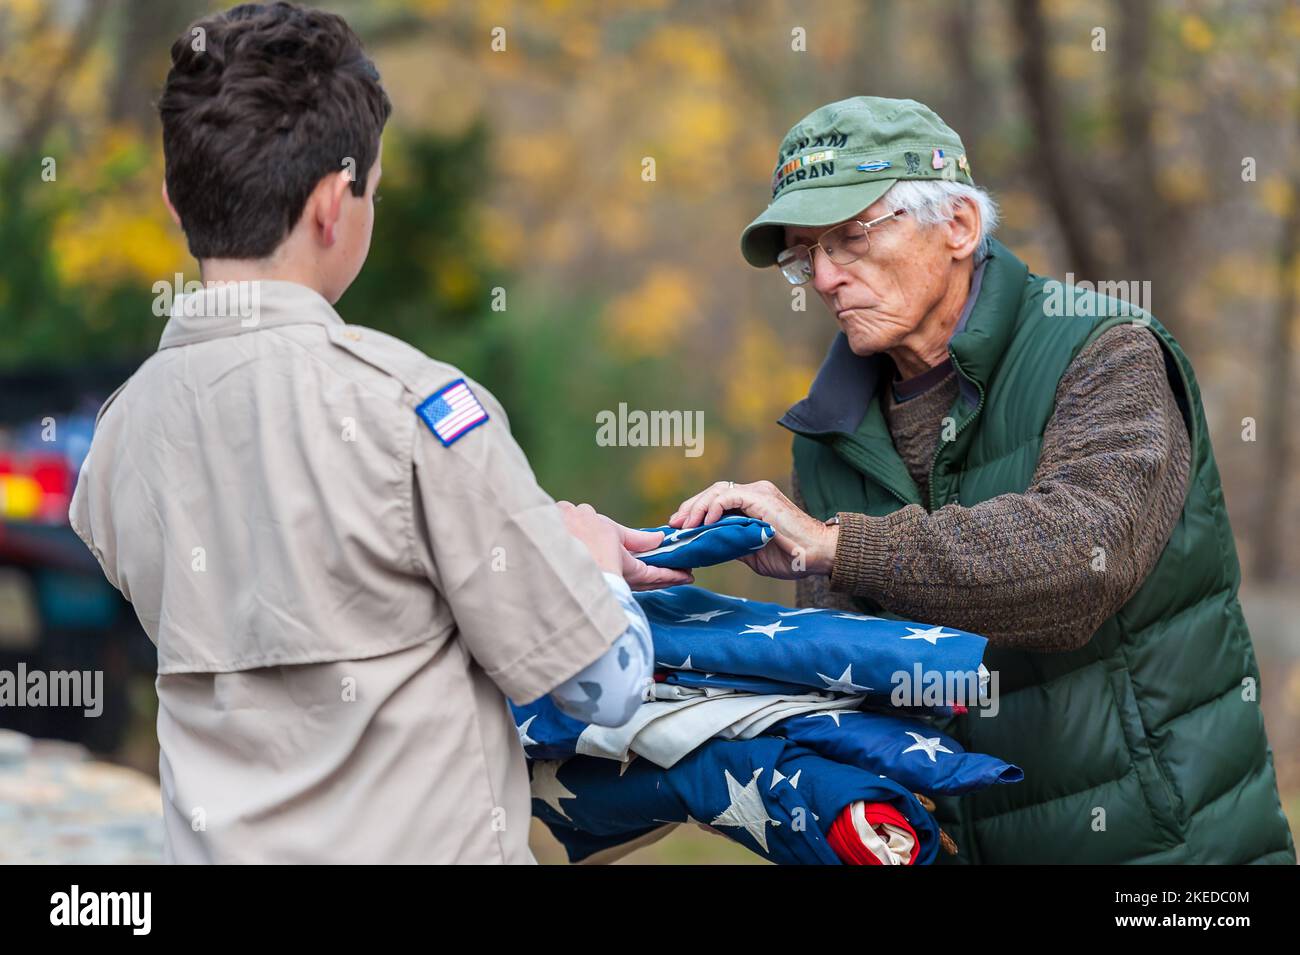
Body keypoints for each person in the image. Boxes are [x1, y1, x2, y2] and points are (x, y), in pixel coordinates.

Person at [68, 1, 687, 864]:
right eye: (375, 192)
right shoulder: (417, 410)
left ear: (175, 201)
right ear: (334, 204)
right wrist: (580, 558)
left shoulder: (118, 439)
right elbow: (606, 686)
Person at [669, 95, 1295, 864]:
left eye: (851, 237)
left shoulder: (1106, 352)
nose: (826, 277)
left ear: (959, 226)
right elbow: (852, 680)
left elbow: (1078, 568)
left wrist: (837, 544)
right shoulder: (827, 438)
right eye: (805, 255)